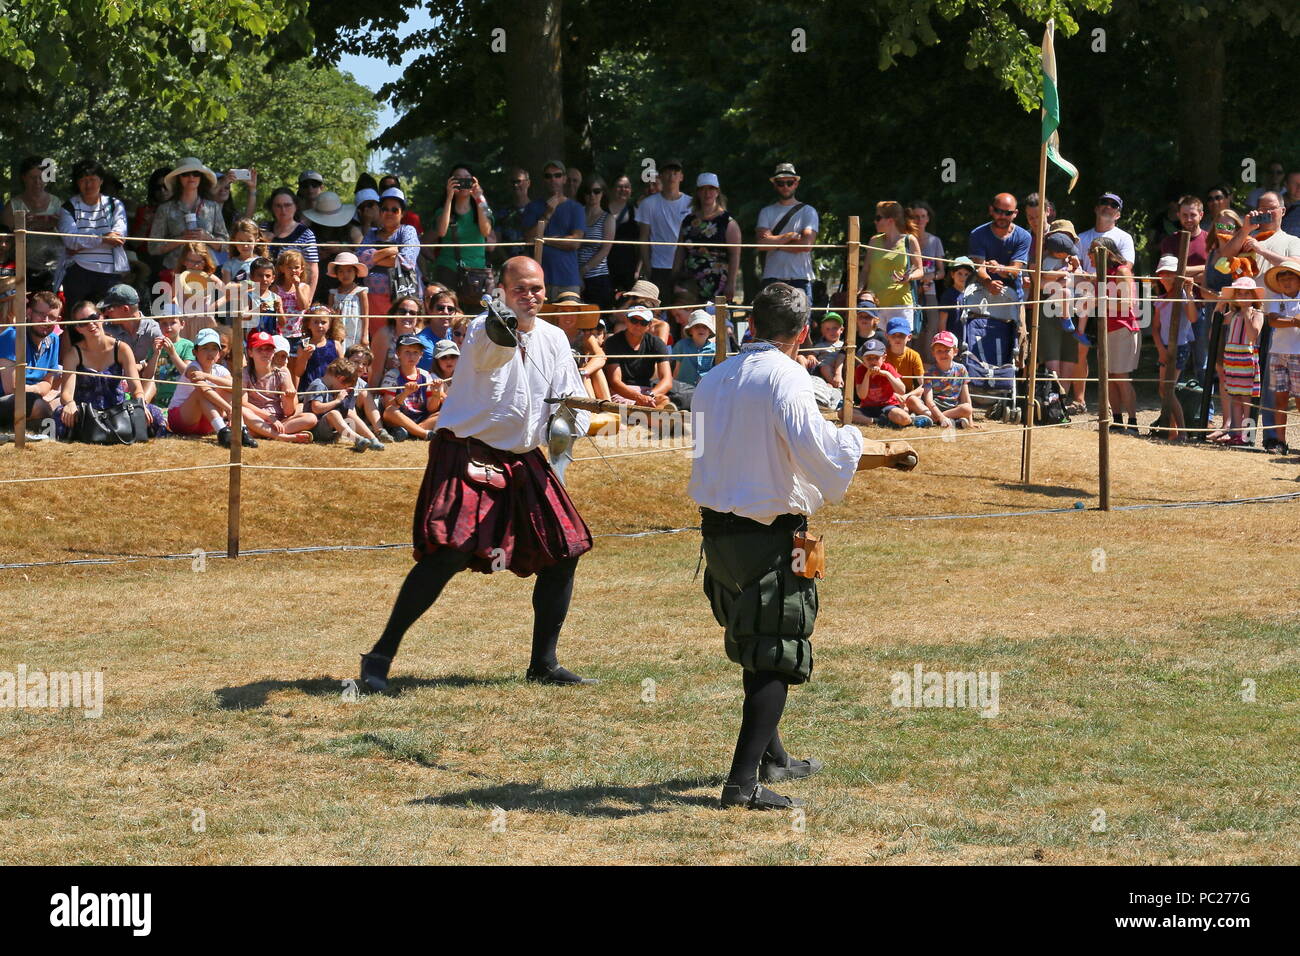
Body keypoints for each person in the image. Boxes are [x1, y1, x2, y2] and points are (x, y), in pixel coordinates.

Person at [359, 256, 597, 692]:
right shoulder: (481, 329)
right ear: (504, 292)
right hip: (468, 451)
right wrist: (502, 320)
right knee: (447, 553)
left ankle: (543, 664)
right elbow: (496, 345)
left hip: (524, 458)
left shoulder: (555, 338)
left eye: (537, 288)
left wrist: (565, 443)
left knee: (565, 550)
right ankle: (379, 656)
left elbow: (567, 403)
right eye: (521, 289)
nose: (531, 296)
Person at [688, 281, 863, 810]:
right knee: (776, 652)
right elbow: (823, 461)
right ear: (803, 332)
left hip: (717, 535)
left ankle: (774, 758)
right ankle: (742, 785)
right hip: (771, 532)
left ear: (752, 327)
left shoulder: (711, 379)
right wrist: (851, 438)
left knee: (756, 638)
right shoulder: (789, 379)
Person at [56, 300, 157, 440]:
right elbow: (66, 393)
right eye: (83, 322)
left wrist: (141, 404)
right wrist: (69, 403)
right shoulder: (73, 354)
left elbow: (136, 388)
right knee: (60, 415)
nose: (91, 324)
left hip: (118, 412)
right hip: (86, 415)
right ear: (78, 328)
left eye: (93, 318)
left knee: (154, 413)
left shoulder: (122, 349)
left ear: (101, 317)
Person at [56, 159, 130, 308]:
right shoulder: (68, 207)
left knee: (110, 318)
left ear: (101, 181)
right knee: (77, 320)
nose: (88, 185)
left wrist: (83, 243)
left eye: (92, 180)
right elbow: (70, 240)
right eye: (83, 180)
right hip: (78, 271)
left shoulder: (114, 205)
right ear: (77, 183)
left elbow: (119, 236)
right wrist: (103, 238)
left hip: (110, 273)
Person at [1089, 236, 1139, 432]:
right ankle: (1117, 421)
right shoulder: (1103, 273)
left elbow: (1128, 304)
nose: (1089, 256)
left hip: (1123, 328)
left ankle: (1133, 422)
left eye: (1092, 252)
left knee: (1121, 376)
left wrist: (1099, 302)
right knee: (1108, 376)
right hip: (1106, 329)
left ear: (1105, 253)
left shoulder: (1122, 271)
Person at [358, 187, 422, 341]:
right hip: (372, 301)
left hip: (401, 299)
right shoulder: (371, 233)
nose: (389, 213)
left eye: (395, 209)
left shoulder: (408, 231)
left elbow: (407, 261)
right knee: (376, 343)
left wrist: (374, 259)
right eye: (385, 209)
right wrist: (390, 251)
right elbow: (359, 260)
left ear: (402, 213)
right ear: (380, 212)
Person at [149, 157, 229, 274]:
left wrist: (207, 238)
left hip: (208, 271)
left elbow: (226, 245)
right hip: (174, 270)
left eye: (196, 174)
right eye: (185, 174)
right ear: (178, 178)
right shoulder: (165, 209)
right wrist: (181, 240)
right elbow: (153, 247)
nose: (191, 177)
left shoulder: (213, 207)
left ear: (201, 178)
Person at [427, 164, 493, 304]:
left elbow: (486, 231)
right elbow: (441, 231)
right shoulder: (443, 209)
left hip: (476, 273)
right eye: (458, 179)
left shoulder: (482, 206)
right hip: (448, 271)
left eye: (467, 179)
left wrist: (479, 196)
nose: (463, 183)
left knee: (476, 317)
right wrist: (449, 196)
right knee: (447, 314)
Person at [672, 172, 741, 304]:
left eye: (711, 188)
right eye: (703, 189)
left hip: (718, 282)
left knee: (717, 321)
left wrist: (731, 283)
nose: (707, 193)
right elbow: (680, 251)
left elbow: (735, 255)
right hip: (689, 282)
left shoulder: (728, 222)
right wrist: (674, 276)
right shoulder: (688, 221)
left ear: (717, 192)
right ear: (697, 192)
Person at [521, 161, 586, 298]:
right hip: (537, 282)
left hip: (568, 280)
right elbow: (529, 239)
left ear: (564, 179)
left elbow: (575, 242)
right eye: (548, 176)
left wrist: (543, 239)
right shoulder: (532, 207)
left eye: (557, 175)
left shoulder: (576, 208)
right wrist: (548, 213)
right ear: (543, 180)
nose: (553, 179)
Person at [162, 327, 240, 440]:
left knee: (228, 390)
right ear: (195, 352)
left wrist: (207, 376)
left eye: (214, 348)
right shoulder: (192, 367)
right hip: (181, 420)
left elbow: (237, 389)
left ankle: (241, 429)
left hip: (206, 423)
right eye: (205, 348)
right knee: (200, 391)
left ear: (219, 353)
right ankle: (223, 432)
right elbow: (203, 390)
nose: (210, 353)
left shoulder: (221, 370)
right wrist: (229, 409)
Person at [1151, 255, 1198, 440]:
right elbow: (1155, 329)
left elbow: (1193, 318)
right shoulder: (1160, 299)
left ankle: (1181, 431)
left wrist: (1190, 292)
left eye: (1170, 273)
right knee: (1163, 389)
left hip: (1179, 346)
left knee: (1168, 389)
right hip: (1164, 346)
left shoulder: (1183, 297)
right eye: (1163, 273)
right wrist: (1161, 350)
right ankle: (1172, 430)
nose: (1166, 276)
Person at [240, 330, 316, 443]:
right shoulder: (244, 373)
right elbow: (243, 403)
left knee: (311, 418)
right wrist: (269, 417)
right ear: (250, 352)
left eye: (268, 349)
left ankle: (263, 433)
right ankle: (282, 436)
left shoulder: (283, 372)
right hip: (256, 417)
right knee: (243, 411)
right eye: (259, 349)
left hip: (280, 420)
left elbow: (289, 412)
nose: (264, 353)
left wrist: (289, 399)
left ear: (273, 351)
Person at [755, 163, 819, 298]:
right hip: (772, 277)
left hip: (800, 278)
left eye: (789, 182)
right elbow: (761, 244)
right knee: (770, 319)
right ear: (775, 185)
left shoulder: (808, 211)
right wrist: (789, 236)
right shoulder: (766, 212)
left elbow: (807, 245)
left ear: (796, 184)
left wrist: (774, 242)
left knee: (802, 319)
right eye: (780, 183)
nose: (785, 186)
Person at [0, 291, 62, 428]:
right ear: (29, 313)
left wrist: (36, 390)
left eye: (52, 317)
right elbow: (12, 389)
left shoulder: (54, 339)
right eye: (41, 314)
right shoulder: (12, 335)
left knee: (69, 399)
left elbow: (48, 383)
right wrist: (39, 390)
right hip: (6, 399)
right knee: (41, 406)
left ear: (58, 320)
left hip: (33, 398)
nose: (46, 321)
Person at [2, 156, 63, 291]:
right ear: (24, 177)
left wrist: (57, 224)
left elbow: (69, 235)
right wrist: (20, 226)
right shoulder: (13, 205)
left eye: (41, 177)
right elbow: (4, 241)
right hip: (22, 268)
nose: (37, 182)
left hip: (54, 267)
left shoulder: (57, 203)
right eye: (32, 177)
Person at [862, 201, 923, 333]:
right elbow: (865, 270)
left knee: (898, 347)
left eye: (878, 218)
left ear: (890, 220)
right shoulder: (874, 240)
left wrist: (909, 277)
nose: (875, 221)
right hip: (875, 304)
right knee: (877, 348)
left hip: (900, 304)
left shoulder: (909, 240)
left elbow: (920, 270)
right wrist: (858, 291)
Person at [1216, 278, 1263, 446]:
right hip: (1232, 358)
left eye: (1246, 294)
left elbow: (1252, 335)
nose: (1242, 297)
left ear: (1253, 297)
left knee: (1246, 399)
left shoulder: (1257, 314)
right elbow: (1217, 324)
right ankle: (1237, 433)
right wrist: (1221, 304)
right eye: (1239, 294)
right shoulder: (1232, 315)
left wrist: (1246, 316)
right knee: (1235, 397)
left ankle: (1248, 436)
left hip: (1247, 359)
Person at [1259, 259, 1300, 454]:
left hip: (1298, 354)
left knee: (1299, 401)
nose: (1286, 281)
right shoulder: (1276, 297)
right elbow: (1273, 321)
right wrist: (1294, 321)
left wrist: (1288, 321)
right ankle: (1280, 442)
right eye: (1282, 277)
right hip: (1277, 353)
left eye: (1290, 277)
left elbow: (1278, 321)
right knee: (1280, 400)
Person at [303, 356, 384, 451]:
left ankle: (372, 439)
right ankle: (358, 439)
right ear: (340, 378)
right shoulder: (318, 385)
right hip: (315, 429)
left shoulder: (332, 386)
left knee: (348, 412)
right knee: (334, 414)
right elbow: (316, 408)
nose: (343, 389)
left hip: (330, 430)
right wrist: (337, 401)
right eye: (344, 386)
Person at [636, 159, 692, 295]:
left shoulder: (691, 204)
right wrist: (647, 267)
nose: (671, 176)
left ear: (681, 177)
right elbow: (643, 239)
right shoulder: (647, 204)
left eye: (675, 173)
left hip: (687, 266)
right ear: (660, 176)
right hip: (658, 266)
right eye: (667, 173)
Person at [604, 304, 676, 409]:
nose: (638, 325)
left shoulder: (656, 343)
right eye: (634, 320)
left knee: (663, 400)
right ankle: (661, 419)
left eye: (643, 322)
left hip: (648, 392)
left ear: (649, 325)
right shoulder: (613, 342)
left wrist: (649, 395)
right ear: (626, 320)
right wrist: (639, 397)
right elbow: (615, 381)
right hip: (622, 393)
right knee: (657, 408)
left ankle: (656, 417)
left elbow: (667, 380)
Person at [262, 187, 321, 301]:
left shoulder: (306, 234)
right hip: (264, 294)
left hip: (293, 298)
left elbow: (313, 271)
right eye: (278, 206)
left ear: (296, 206)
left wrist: (307, 300)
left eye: (287, 205)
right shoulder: (264, 228)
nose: (283, 210)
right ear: (272, 207)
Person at [853, 337, 916, 428]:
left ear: (884, 358)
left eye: (876, 358)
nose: (873, 361)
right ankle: (878, 421)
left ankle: (910, 420)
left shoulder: (888, 368)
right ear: (863, 360)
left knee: (904, 418)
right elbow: (862, 395)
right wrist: (867, 375)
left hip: (888, 407)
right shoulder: (860, 370)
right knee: (843, 413)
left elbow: (902, 390)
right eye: (869, 358)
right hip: (867, 408)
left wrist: (887, 374)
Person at [576, 176, 615, 313]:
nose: (592, 195)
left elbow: (605, 250)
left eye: (596, 191)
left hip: (598, 278)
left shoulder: (608, 218)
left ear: (603, 193)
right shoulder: (576, 213)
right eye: (588, 191)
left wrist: (583, 271)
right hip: (572, 275)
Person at [921, 330, 974, 428]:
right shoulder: (929, 372)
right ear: (933, 353)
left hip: (953, 408)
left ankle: (935, 419)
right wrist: (940, 416)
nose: (943, 354)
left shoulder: (961, 369)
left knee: (967, 408)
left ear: (955, 351)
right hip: (935, 406)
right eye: (939, 351)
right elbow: (929, 400)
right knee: (915, 402)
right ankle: (948, 420)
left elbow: (966, 397)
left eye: (947, 350)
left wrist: (971, 422)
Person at [1076, 192, 1135, 272]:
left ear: (1118, 215)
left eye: (1114, 205)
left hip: (1112, 284)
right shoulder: (1081, 238)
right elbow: (1076, 267)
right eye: (1104, 202)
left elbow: (1126, 267)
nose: (1108, 206)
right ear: (1096, 209)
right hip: (1086, 284)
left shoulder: (1125, 238)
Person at [490, 167, 531, 270]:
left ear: (528, 183)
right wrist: (509, 263)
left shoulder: (538, 210)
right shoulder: (501, 213)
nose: (515, 185)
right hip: (507, 265)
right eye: (512, 182)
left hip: (533, 265)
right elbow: (497, 243)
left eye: (519, 181)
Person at [327, 251, 369, 349]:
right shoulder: (333, 293)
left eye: (349, 271)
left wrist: (365, 336)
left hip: (355, 332)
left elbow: (365, 316)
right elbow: (330, 316)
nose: (345, 275)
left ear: (356, 272)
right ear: (336, 274)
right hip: (339, 333)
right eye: (341, 271)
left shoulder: (360, 292)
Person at [606, 174, 640, 293]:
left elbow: (640, 242)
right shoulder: (602, 209)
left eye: (627, 187)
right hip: (604, 264)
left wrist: (638, 269)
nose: (623, 190)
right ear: (612, 189)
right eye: (620, 186)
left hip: (628, 265)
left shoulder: (635, 211)